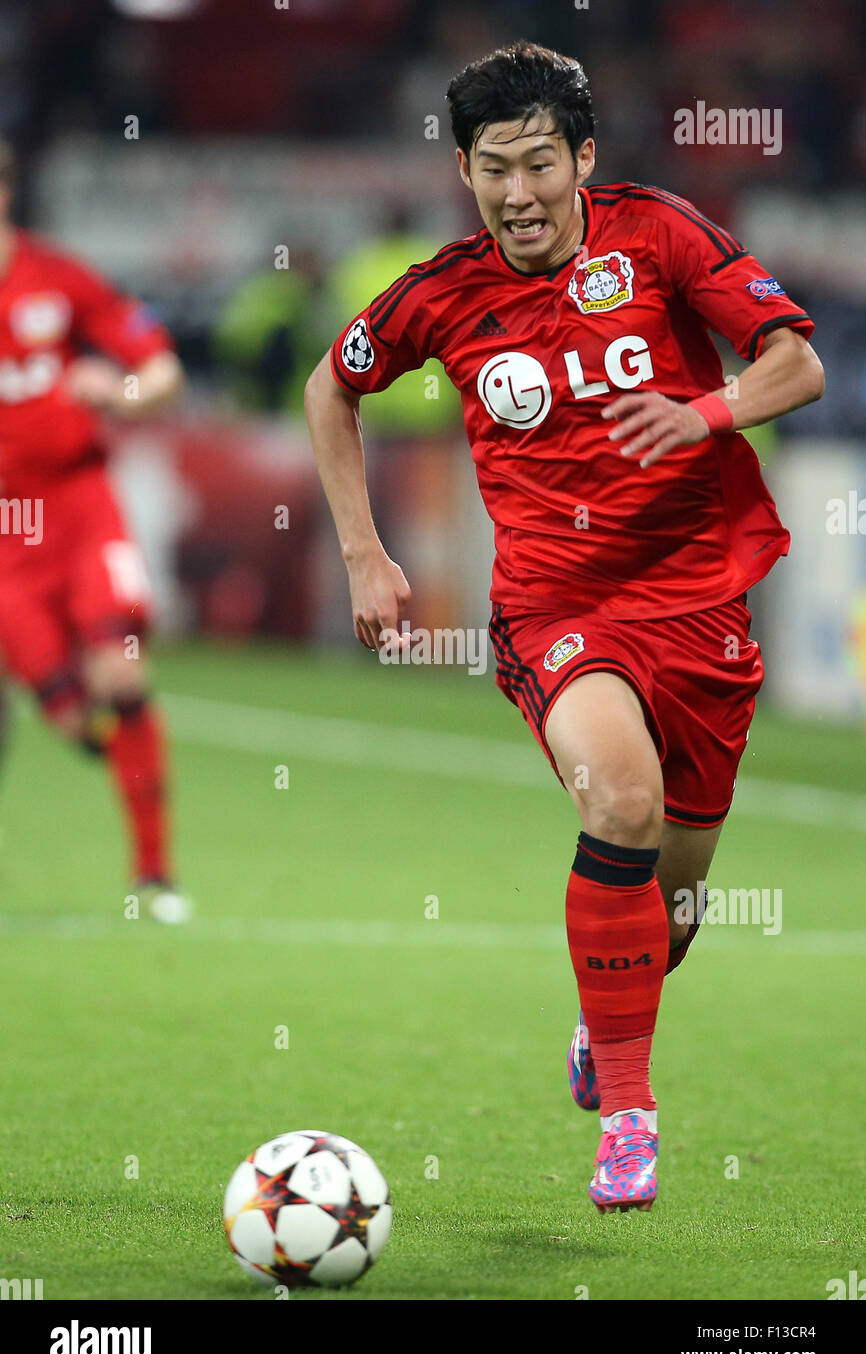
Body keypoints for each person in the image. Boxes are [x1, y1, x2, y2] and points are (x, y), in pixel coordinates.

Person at [304, 42, 824, 1211]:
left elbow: (795, 363)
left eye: (540, 162)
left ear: (583, 157)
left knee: (670, 910)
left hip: (699, 607)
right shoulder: (438, 293)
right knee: (621, 804)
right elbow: (327, 386)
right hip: (556, 607)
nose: (518, 192)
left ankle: (608, 1018)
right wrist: (364, 551)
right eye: (495, 168)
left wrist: (705, 412)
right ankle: (630, 1119)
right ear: (464, 170)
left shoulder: (656, 235)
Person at [0, 139, 188, 923]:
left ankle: (154, 877)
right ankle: (85, 723)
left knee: (123, 673)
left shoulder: (59, 278)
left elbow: (162, 370)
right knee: (74, 714)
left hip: (81, 509)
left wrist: (125, 392)